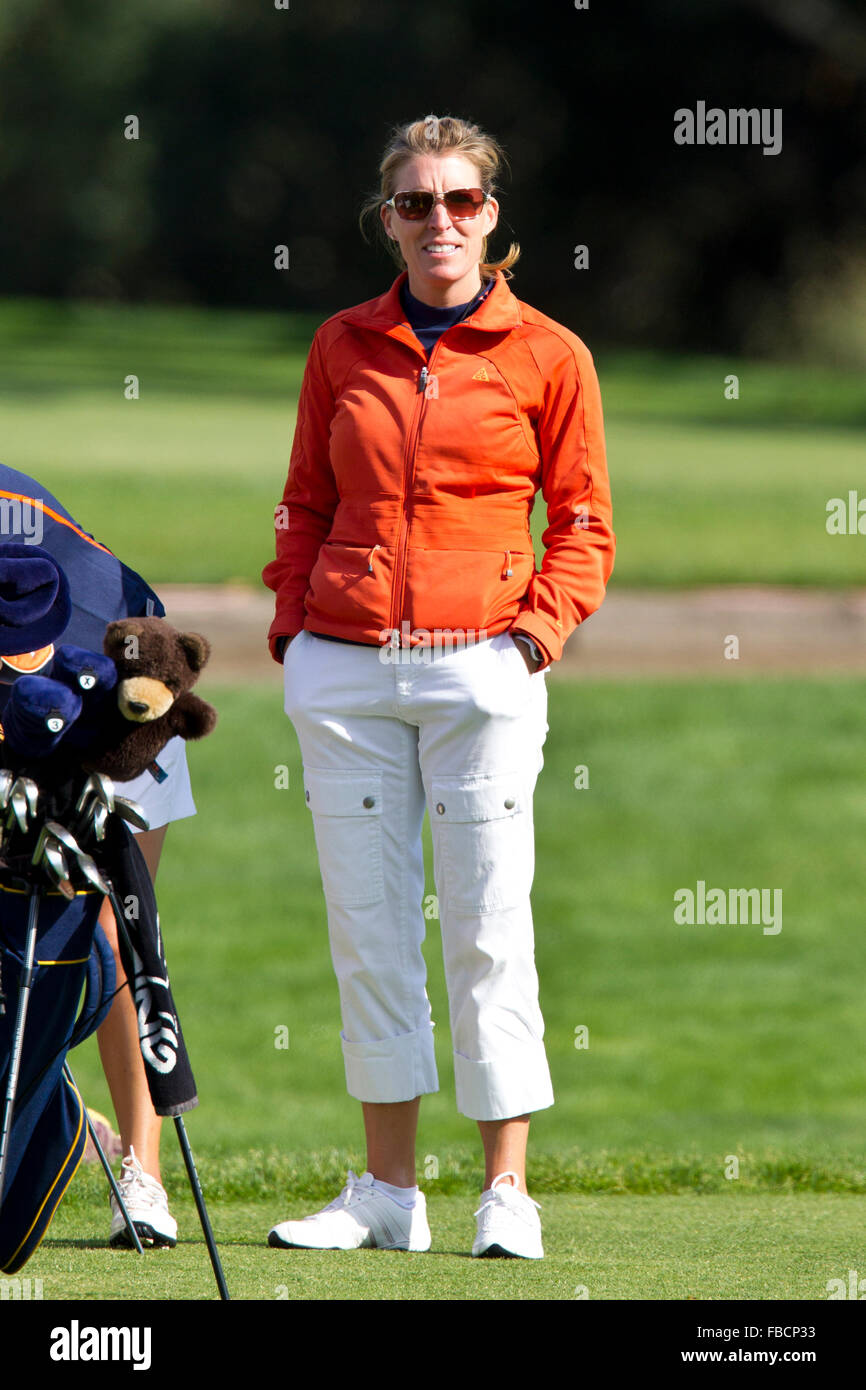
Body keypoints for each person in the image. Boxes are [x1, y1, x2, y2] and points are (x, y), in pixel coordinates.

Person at [262, 114, 615, 1258]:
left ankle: (504, 1194)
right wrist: (290, 625)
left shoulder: (547, 352)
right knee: (368, 930)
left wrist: (531, 639)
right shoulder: (340, 344)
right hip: (345, 664)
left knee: (485, 924)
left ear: (491, 215)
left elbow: (583, 524)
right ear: (388, 219)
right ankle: (385, 1192)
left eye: (459, 200)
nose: (439, 221)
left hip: (482, 669)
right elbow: (304, 499)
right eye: (415, 203)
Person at [0, 466, 196, 1248]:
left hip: (124, 696)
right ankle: (55, 1112)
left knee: (112, 920)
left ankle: (141, 1175)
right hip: (30, 689)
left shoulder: (37, 537)